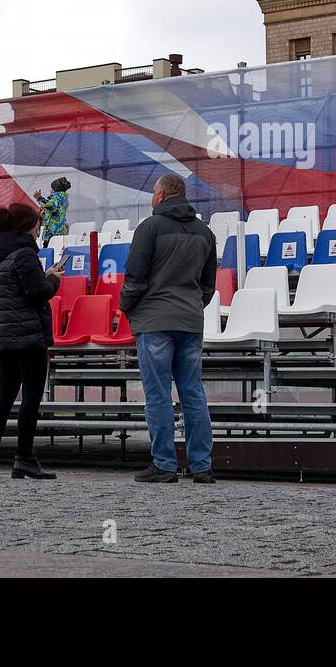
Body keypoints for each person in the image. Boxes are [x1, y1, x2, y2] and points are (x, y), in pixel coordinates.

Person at [120, 174, 218, 483]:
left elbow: (134, 277)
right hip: (189, 319)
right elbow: (208, 285)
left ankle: (164, 464)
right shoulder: (205, 233)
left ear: (161, 195)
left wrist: (127, 307)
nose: (152, 197)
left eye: (152, 192)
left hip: (154, 320)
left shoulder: (149, 228)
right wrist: (191, 306)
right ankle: (201, 466)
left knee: (158, 394)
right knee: (193, 392)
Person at [0, 201, 63, 479]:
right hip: (29, 336)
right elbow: (35, 293)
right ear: (27, 226)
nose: (40, 230)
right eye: (38, 225)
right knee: (30, 399)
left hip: (5, 336)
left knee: (4, 396)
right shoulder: (24, 254)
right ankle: (24, 458)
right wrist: (53, 280)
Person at [34, 177, 71, 247]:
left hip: (53, 231)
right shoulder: (62, 198)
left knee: (48, 249)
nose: (50, 190)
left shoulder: (58, 197)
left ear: (55, 189)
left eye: (51, 188)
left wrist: (39, 198)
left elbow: (50, 206)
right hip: (59, 229)